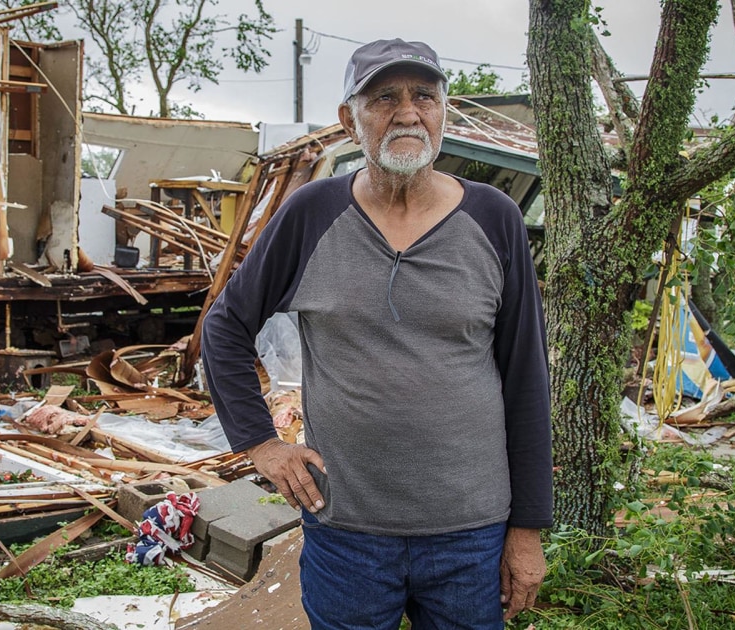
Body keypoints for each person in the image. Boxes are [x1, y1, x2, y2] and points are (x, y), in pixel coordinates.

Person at [200, 38, 553, 629]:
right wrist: (263, 445)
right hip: (347, 531)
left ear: (444, 111)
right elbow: (225, 328)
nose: (408, 112)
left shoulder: (495, 218)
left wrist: (526, 529)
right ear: (349, 118)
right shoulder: (312, 214)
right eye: (384, 97)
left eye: (424, 96)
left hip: (471, 533)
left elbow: (525, 379)